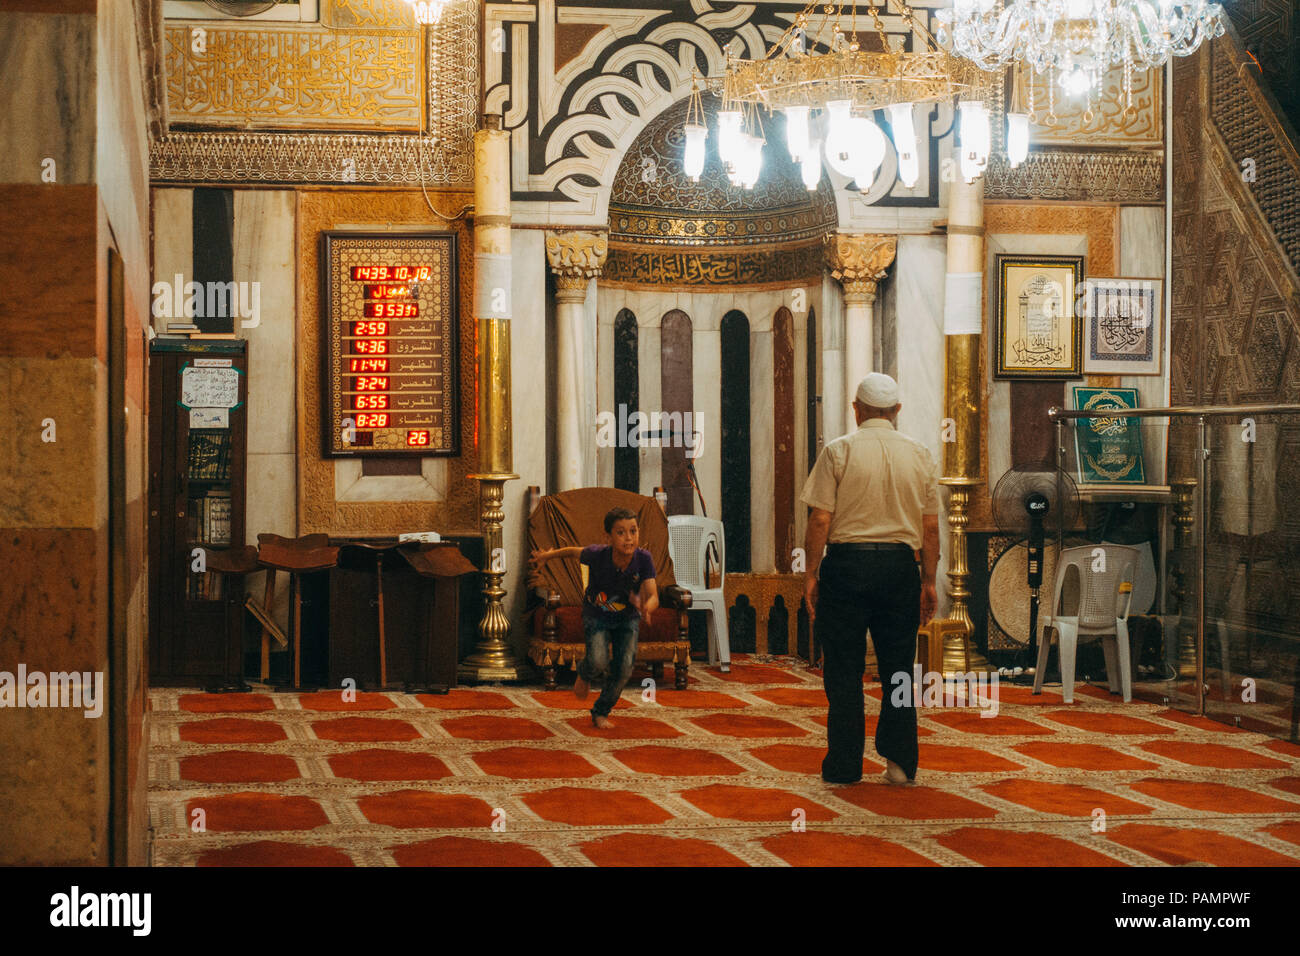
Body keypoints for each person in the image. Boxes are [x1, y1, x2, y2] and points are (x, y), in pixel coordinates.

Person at [801, 373, 940, 785]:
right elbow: (930, 528)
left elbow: (821, 518)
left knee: (843, 668)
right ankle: (900, 764)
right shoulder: (920, 454)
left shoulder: (838, 451)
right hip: (900, 569)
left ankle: (845, 766)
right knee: (898, 668)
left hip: (847, 566)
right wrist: (929, 581)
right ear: (897, 411)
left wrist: (810, 573)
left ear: (856, 409)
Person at [531, 507, 658, 728]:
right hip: (596, 614)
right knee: (598, 660)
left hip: (628, 618)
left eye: (633, 531)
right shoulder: (598, 554)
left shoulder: (643, 559)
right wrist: (546, 556)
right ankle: (584, 671)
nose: (629, 538)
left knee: (625, 667)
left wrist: (647, 607)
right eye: (620, 533)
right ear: (607, 537)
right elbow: (572, 552)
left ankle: (601, 711)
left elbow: (654, 594)